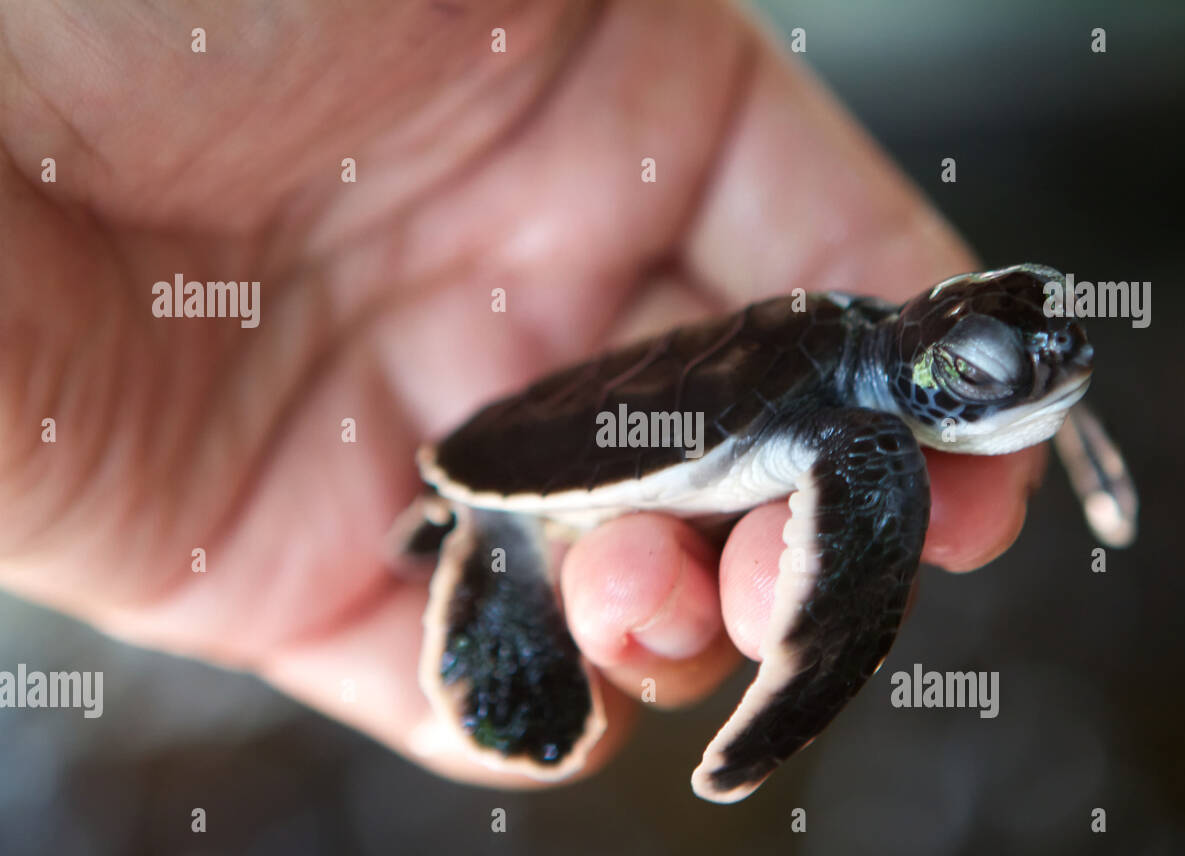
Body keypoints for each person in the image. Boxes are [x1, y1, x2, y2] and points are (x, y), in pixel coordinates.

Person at [0, 0, 1046, 789]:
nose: (1038, 374)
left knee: (631, 612)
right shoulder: (865, 436)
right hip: (545, 459)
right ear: (922, 355)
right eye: (990, 376)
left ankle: (456, 527)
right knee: (543, 664)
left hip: (552, 418)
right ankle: (475, 537)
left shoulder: (874, 328)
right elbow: (859, 546)